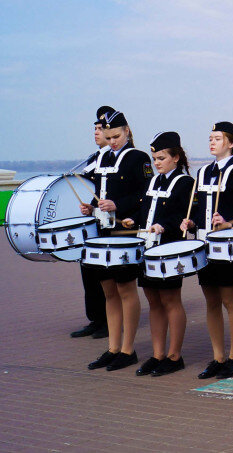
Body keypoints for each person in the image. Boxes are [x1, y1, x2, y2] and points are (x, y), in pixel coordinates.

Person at [180, 121, 233, 379]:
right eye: (210, 138)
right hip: (204, 245)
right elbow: (198, 207)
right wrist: (191, 223)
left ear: (231, 143)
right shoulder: (202, 173)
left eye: (217, 138)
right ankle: (217, 357)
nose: (212, 142)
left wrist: (228, 223)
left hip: (227, 247)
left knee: (229, 300)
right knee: (210, 300)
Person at [81, 110, 153, 372]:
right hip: (102, 231)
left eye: (116, 136)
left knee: (125, 289)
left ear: (127, 131)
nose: (112, 141)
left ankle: (128, 349)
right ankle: (113, 348)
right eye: (108, 136)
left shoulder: (138, 158)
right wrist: (91, 206)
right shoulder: (102, 158)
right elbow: (100, 191)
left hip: (125, 231)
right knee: (108, 291)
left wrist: (118, 205)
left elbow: (146, 193)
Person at [131, 131, 195, 376]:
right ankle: (157, 354)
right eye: (154, 158)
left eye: (161, 158)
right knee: (154, 302)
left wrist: (164, 225)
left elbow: (182, 215)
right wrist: (130, 220)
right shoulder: (153, 182)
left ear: (175, 157)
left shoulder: (185, 182)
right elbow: (144, 212)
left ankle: (174, 355)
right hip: (148, 248)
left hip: (169, 250)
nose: (156, 162)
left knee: (170, 301)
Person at [72, 105, 113, 340]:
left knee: (106, 275)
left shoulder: (122, 158)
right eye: (95, 128)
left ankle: (109, 321)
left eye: (101, 128)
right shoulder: (93, 159)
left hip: (109, 225)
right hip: (92, 224)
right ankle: (96, 319)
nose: (96, 132)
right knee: (88, 271)